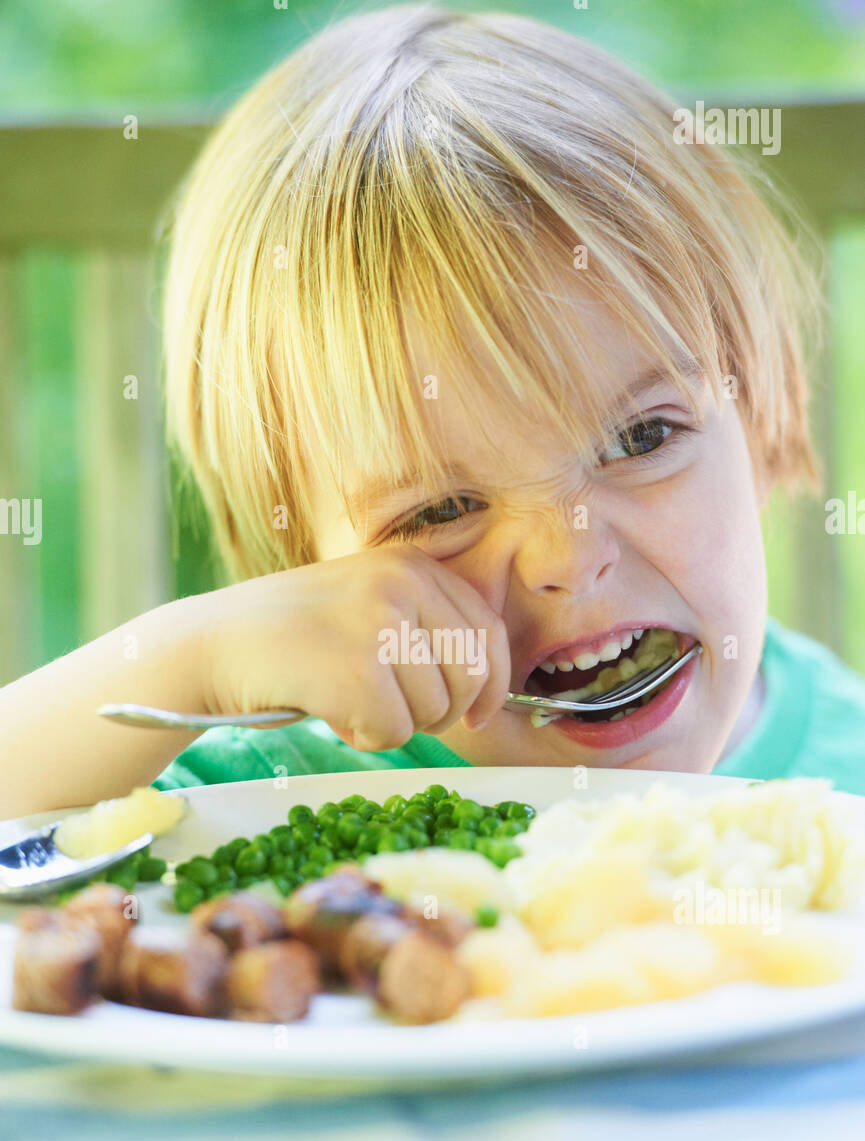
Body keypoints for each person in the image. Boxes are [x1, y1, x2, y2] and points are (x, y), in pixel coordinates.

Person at [4, 4, 865, 818]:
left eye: (642, 437)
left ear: (758, 419)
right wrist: (192, 660)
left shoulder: (848, 765)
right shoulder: (275, 790)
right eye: (442, 511)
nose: (568, 557)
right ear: (303, 567)